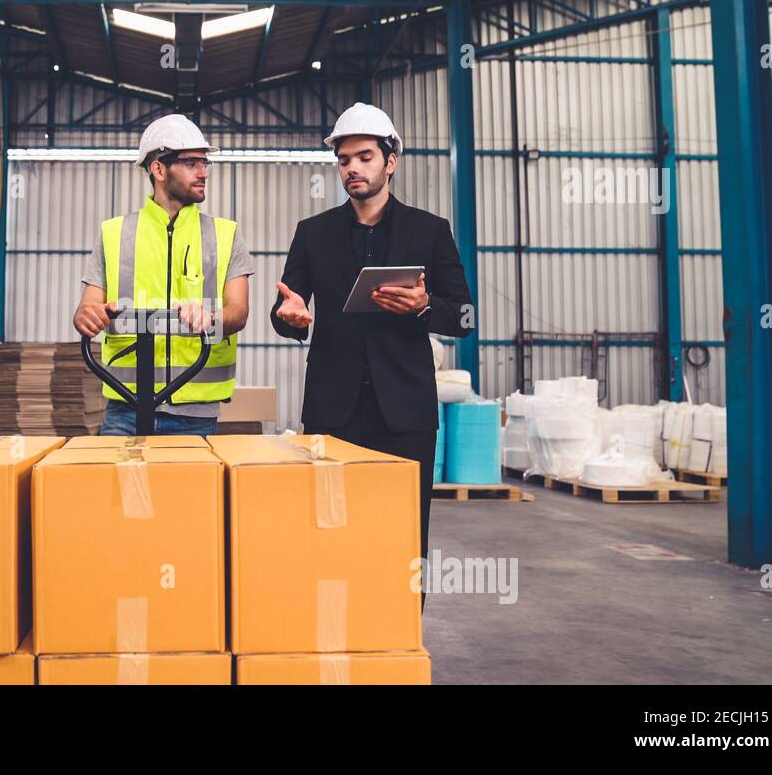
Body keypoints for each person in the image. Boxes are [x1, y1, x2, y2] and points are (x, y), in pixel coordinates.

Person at [270, 102, 475, 598]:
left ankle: (397, 639)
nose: (353, 168)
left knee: (404, 536)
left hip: (404, 414)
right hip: (332, 411)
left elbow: (463, 317)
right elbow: (286, 308)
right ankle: (336, 635)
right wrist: (290, 319)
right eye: (344, 160)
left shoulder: (430, 231)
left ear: (391, 161)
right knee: (329, 531)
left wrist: (425, 306)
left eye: (364, 157)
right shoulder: (312, 233)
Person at [74, 114, 254, 435]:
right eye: (192, 163)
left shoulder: (225, 235)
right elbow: (87, 308)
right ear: (159, 169)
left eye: (205, 163)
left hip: (195, 412)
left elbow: (238, 312)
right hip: (124, 406)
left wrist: (210, 318)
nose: (203, 173)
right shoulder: (114, 233)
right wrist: (89, 317)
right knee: (121, 487)